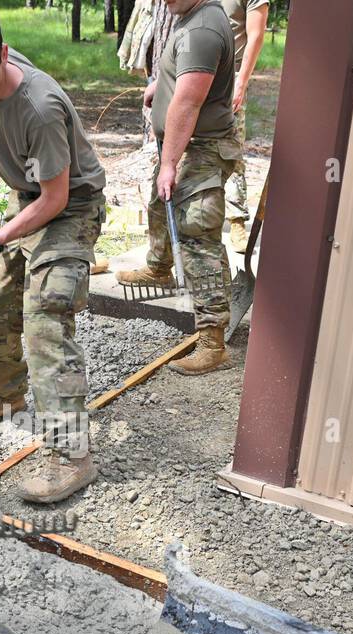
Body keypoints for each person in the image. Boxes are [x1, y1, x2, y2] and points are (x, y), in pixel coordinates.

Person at [0, 4, 106, 504]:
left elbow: (56, 199)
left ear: (4, 56)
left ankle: (71, 455)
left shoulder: (41, 107)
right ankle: (8, 396)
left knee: (45, 321)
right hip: (29, 202)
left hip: (70, 207)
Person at [116, 0, 240, 375]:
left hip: (202, 148)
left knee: (197, 234)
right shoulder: (190, 16)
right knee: (160, 203)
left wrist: (168, 163)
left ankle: (212, 342)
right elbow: (186, 77)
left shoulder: (202, 28)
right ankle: (159, 268)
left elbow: (189, 101)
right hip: (190, 144)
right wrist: (162, 83)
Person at [222, 0, 269, 252]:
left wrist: (241, 82)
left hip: (230, 77)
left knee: (231, 149)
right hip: (197, 72)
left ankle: (236, 220)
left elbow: (256, 35)